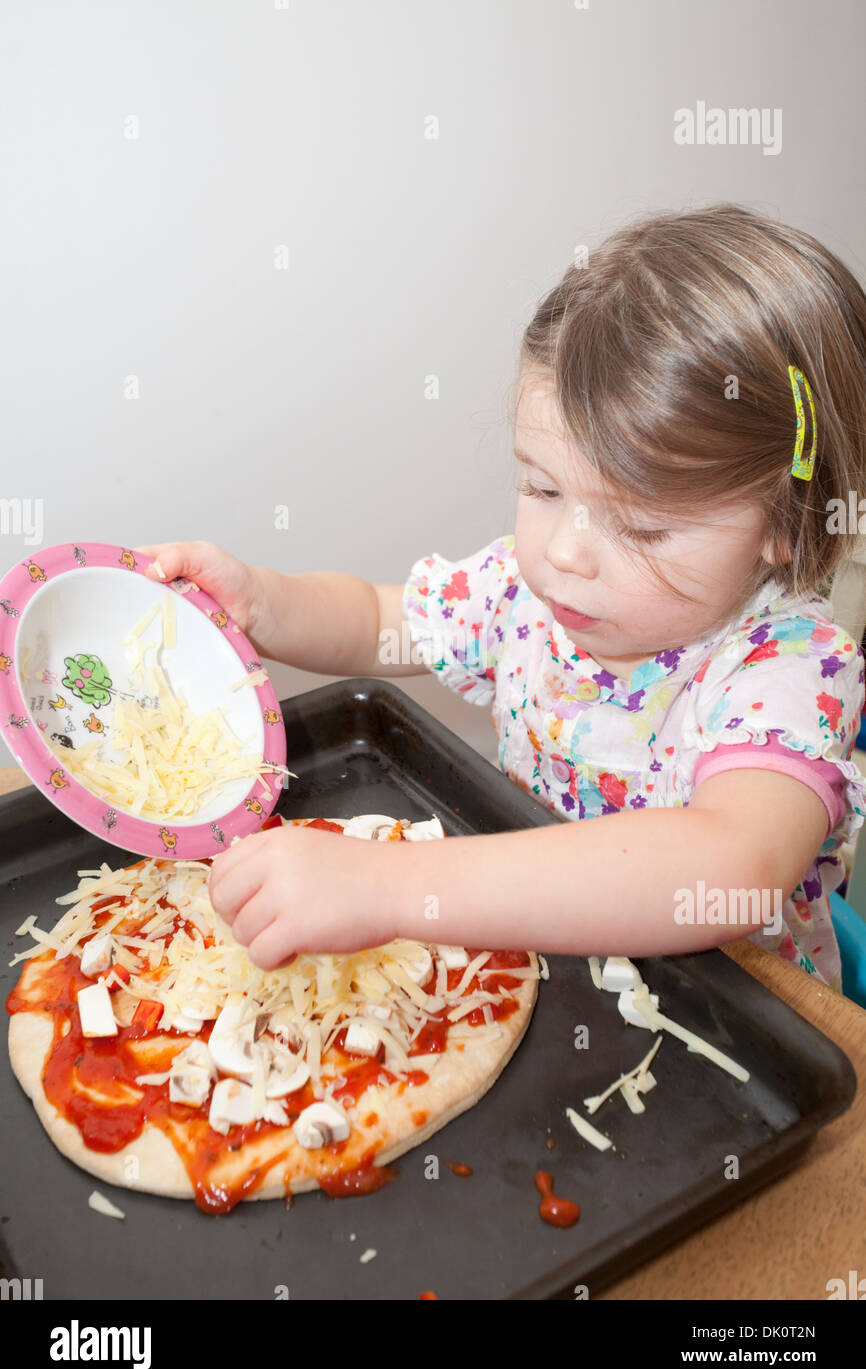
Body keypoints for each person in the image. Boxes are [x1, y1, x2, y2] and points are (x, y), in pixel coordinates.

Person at [140, 203, 866, 992]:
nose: (563, 552)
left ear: (784, 524)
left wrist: (389, 885)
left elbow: (733, 863)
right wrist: (265, 605)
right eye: (543, 487)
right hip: (542, 960)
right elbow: (384, 623)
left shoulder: (789, 668)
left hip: (735, 1013)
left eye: (642, 528)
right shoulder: (526, 594)